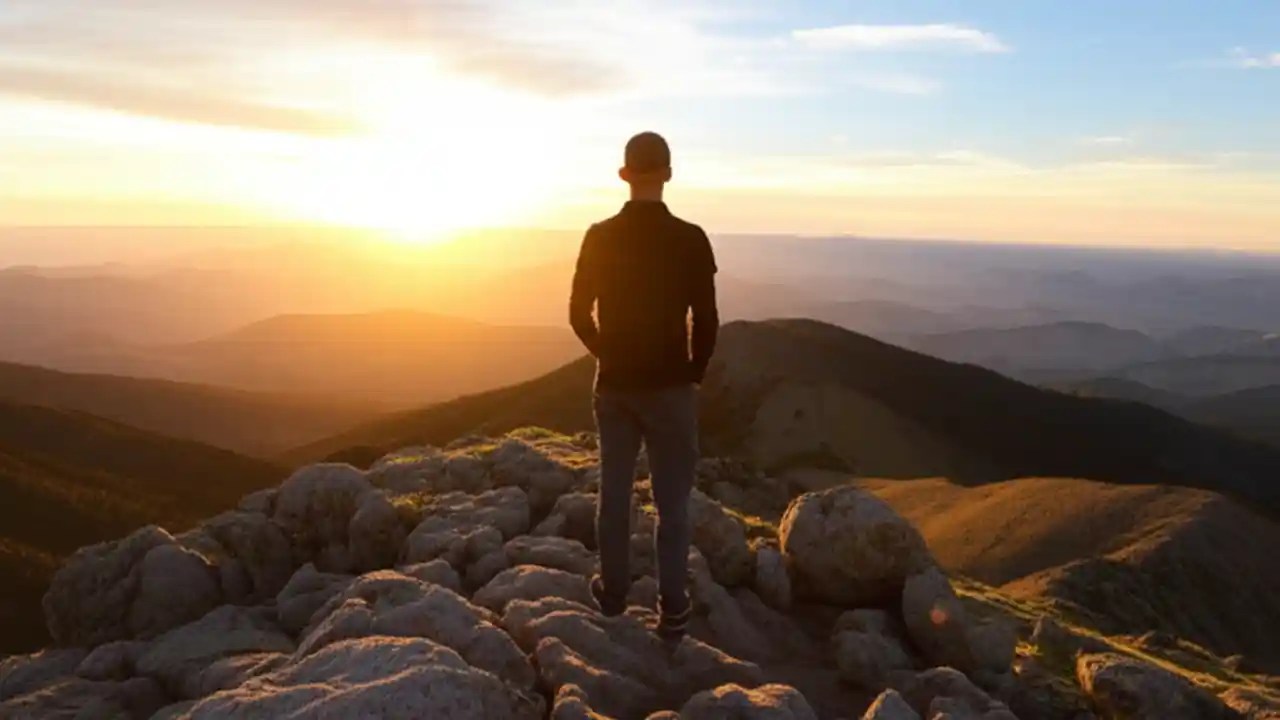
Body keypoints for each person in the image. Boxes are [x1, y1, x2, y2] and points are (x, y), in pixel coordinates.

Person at [569, 131, 719, 643]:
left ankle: (613, 597)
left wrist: (608, 354)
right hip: (671, 389)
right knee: (672, 504)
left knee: (614, 495)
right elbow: (708, 318)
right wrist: (691, 373)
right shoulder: (691, 238)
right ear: (669, 175)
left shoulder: (599, 235)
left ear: (625, 175)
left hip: (615, 387)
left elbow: (576, 314)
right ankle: (672, 611)